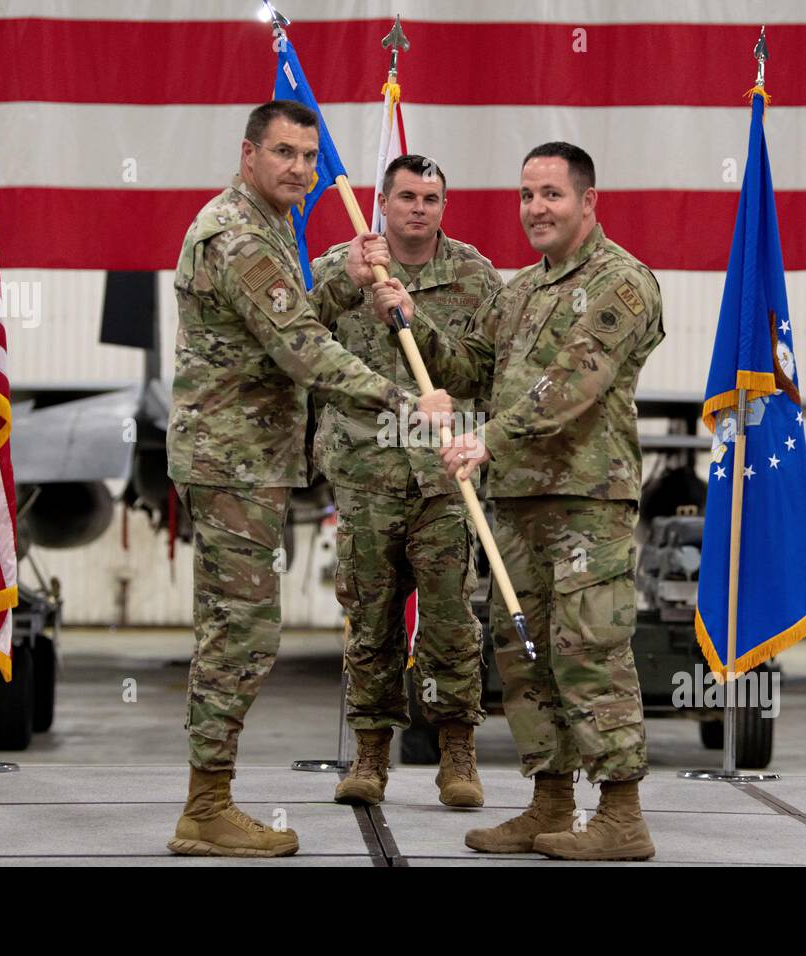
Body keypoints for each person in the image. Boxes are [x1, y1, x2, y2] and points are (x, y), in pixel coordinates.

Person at [166, 100, 451, 857]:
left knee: (241, 631)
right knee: (240, 634)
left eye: (308, 155)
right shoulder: (239, 237)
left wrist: (345, 283)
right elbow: (303, 353)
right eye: (284, 152)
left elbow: (279, 329)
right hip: (233, 462)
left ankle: (210, 799)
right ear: (248, 153)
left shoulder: (260, 229)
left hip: (246, 459)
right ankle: (205, 809)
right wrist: (405, 400)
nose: (299, 168)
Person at [371, 142, 665, 861]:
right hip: (517, 504)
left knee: (591, 652)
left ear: (587, 202)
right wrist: (410, 319)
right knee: (526, 657)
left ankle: (621, 814)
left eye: (552, 195)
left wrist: (489, 440)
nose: (536, 208)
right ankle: (550, 803)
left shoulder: (620, 283)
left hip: (585, 504)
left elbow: (572, 384)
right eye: (526, 194)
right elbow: (474, 366)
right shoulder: (522, 290)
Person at [310, 155, 502, 809]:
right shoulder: (346, 267)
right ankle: (369, 755)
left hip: (443, 483)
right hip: (366, 478)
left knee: (451, 624)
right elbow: (296, 340)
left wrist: (418, 318)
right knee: (371, 624)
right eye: (407, 196)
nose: (420, 208)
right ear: (382, 202)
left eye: (432, 198)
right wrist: (352, 281)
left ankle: (457, 753)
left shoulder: (475, 276)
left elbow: (482, 371)